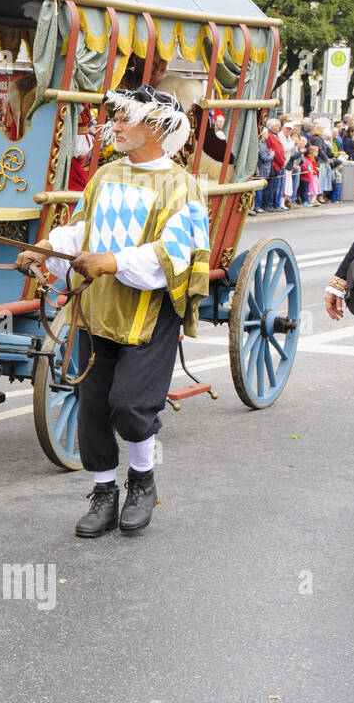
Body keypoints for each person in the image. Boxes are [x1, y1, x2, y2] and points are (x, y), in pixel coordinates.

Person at [16, 85, 210, 538]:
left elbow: (175, 254)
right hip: (96, 308)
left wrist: (114, 261)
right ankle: (104, 491)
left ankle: (142, 478)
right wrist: (43, 248)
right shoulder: (104, 175)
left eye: (126, 118)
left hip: (148, 314)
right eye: (116, 117)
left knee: (129, 406)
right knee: (92, 407)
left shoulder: (182, 186)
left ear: (158, 127)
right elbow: (80, 230)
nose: (115, 125)